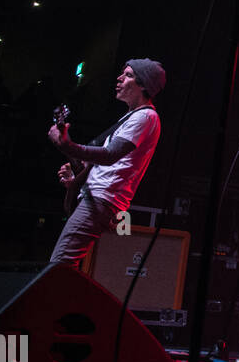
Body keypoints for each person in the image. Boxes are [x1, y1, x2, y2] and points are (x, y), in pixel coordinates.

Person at [48, 59, 165, 267]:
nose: (119, 78)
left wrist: (67, 145)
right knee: (64, 265)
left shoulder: (146, 117)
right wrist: (76, 177)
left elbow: (110, 155)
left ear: (144, 85)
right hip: (98, 198)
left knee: (60, 265)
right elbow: (109, 165)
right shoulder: (131, 117)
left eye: (128, 75)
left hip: (103, 200)